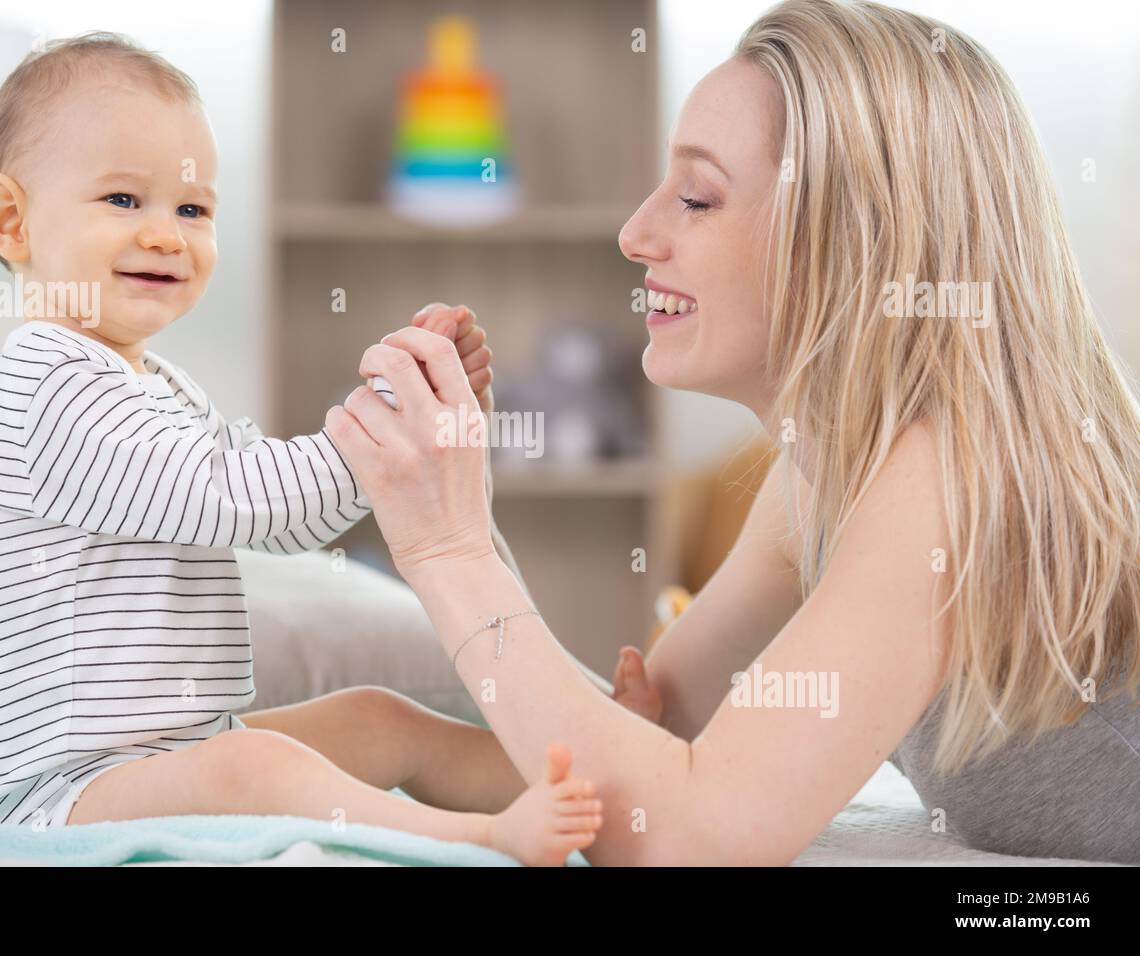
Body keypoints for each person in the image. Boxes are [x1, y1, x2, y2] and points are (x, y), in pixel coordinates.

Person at [324, 0, 1140, 865]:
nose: (636, 235)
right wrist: (394, 734)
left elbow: (687, 837)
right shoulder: (820, 477)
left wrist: (449, 554)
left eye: (696, 198)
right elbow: (652, 734)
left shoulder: (948, 475)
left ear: (852, 240)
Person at [0, 31, 605, 865]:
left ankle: (596, 767)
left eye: (192, 209)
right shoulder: (48, 384)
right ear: (12, 220)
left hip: (177, 746)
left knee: (377, 716)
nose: (166, 235)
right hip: (70, 793)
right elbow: (236, 497)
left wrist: (412, 419)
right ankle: (481, 833)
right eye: (123, 200)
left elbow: (293, 516)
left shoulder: (155, 384)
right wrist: (383, 426)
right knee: (249, 765)